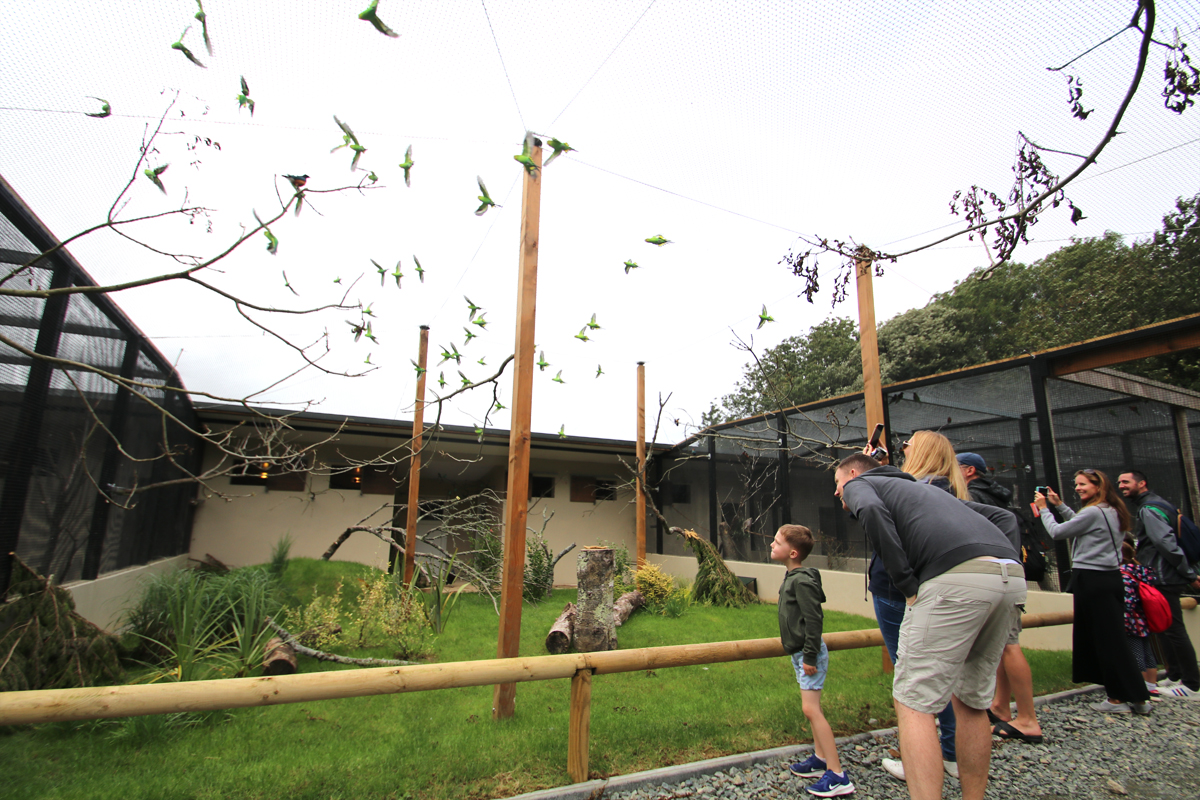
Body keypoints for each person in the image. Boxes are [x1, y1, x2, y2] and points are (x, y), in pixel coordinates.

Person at [836, 451, 1026, 800]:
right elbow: (1005, 517)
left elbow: (874, 513)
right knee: (971, 701)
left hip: (952, 579)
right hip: (1008, 576)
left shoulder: (859, 484)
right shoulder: (932, 492)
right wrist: (1009, 562)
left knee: (914, 703)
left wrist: (906, 584)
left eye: (836, 484)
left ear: (850, 472)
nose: (838, 493)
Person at [872, 431, 966, 782]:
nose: (903, 448)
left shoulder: (918, 490)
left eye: (908, 444)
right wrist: (880, 469)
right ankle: (952, 753)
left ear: (923, 451)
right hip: (933, 586)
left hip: (901, 590)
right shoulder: (944, 490)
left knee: (912, 681)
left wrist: (866, 476)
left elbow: (872, 516)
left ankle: (923, 761)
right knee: (939, 674)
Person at [1036, 470, 1151, 713]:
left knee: (1106, 641)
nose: (1078, 488)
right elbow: (1081, 524)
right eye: (1076, 483)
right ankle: (1136, 697)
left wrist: (1044, 509)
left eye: (1083, 484)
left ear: (1098, 487)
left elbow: (1058, 532)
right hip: (1110, 578)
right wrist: (1061, 505)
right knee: (1113, 638)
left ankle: (1119, 698)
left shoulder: (1092, 512)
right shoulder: (1111, 509)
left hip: (1092, 579)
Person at [956, 452, 1044, 744]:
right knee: (1001, 643)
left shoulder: (971, 497)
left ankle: (1029, 719)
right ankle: (1001, 706)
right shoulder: (996, 496)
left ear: (969, 471)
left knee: (1009, 645)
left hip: (994, 575)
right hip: (1007, 574)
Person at [772, 524, 855, 797]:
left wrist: (809, 655)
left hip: (809, 655)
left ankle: (838, 775)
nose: (771, 545)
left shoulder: (802, 580)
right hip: (800, 654)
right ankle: (820, 759)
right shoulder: (792, 576)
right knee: (810, 708)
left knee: (812, 710)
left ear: (793, 552)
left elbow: (814, 619)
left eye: (777, 542)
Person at [1117, 470, 1200, 697]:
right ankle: (1174, 676)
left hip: (1163, 576)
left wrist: (1190, 575)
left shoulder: (1149, 508)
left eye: (1126, 481)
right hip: (1163, 575)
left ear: (1142, 483)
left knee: (1173, 629)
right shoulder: (1158, 504)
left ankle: (1191, 684)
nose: (1121, 485)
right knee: (1163, 627)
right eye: (1119, 482)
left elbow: (1165, 543)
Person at [1119, 540, 1163, 700]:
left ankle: (1141, 687)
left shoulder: (1123, 574)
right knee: (1148, 653)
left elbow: (1127, 601)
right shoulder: (1141, 571)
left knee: (1135, 654)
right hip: (1145, 618)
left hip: (1132, 621)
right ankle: (1152, 686)